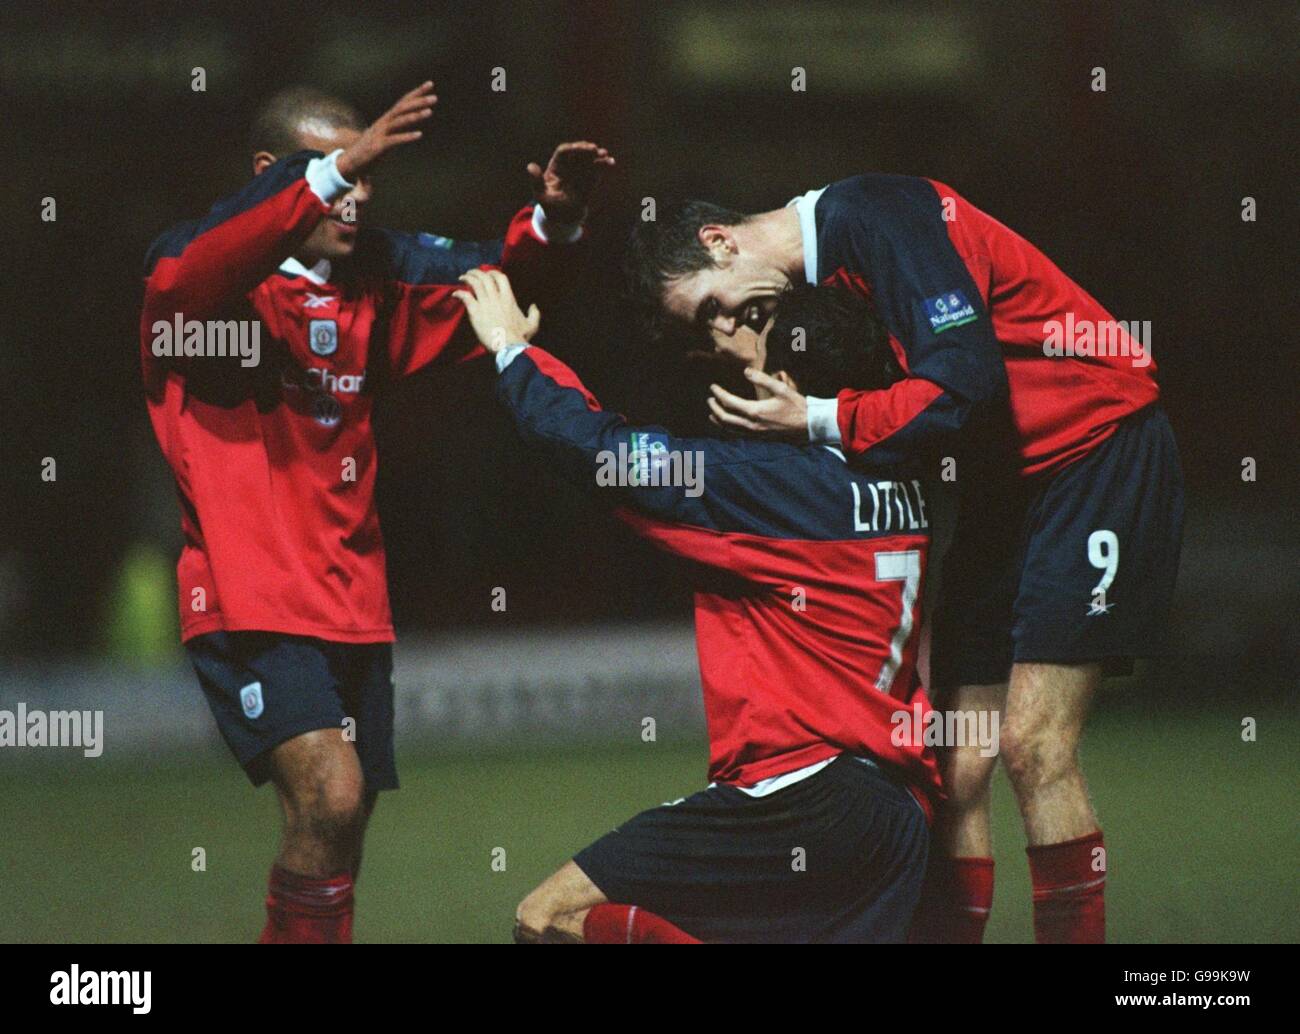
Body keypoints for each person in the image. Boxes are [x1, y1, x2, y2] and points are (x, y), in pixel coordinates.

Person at [624, 178, 1184, 943]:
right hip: (1007, 484)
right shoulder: (829, 275)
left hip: (1095, 448)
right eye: (708, 333)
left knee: (1032, 746)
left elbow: (964, 386)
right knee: (953, 769)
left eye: (714, 307)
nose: (725, 334)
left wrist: (819, 418)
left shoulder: (876, 215)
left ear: (721, 240)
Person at [140, 81, 612, 943]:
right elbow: (192, 270)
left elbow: (490, 283)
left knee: (339, 830)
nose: (359, 192)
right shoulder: (200, 284)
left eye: (368, 173)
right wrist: (328, 174)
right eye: (339, 170)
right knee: (333, 792)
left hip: (353, 599)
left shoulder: (373, 277)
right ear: (269, 174)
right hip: (250, 594)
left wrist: (554, 224)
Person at [454, 270, 940, 943]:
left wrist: (512, 351)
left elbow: (604, 455)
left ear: (789, 386)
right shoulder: (903, 476)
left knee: (548, 916)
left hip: (799, 796)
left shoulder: (770, 489)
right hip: (893, 816)